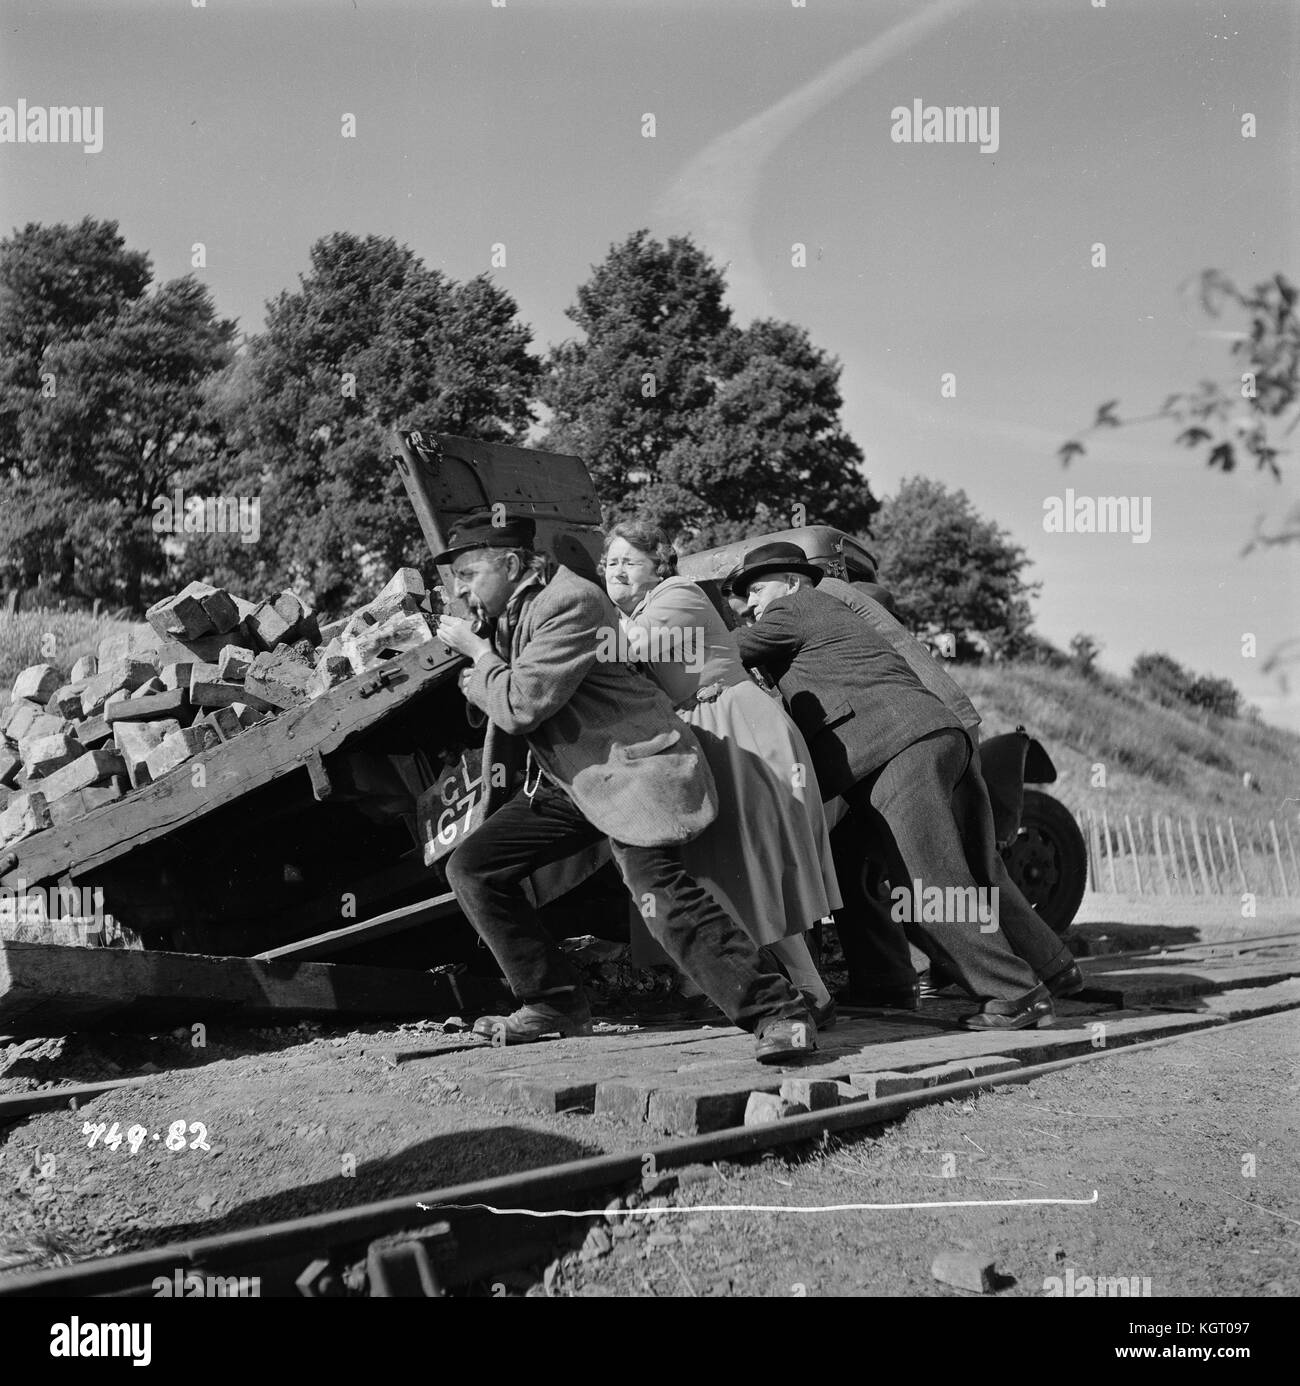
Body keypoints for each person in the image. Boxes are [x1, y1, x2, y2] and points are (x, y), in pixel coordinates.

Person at [433, 511, 817, 1062]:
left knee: (663, 899)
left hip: (635, 770)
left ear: (512, 564)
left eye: (469, 574)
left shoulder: (572, 602)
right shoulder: (510, 611)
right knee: (473, 868)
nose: (461, 588)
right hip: (575, 779)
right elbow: (503, 704)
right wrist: (483, 653)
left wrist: (478, 660)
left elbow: (520, 705)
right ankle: (554, 1002)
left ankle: (780, 1014)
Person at [730, 541, 1058, 1031]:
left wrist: (654, 636)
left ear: (793, 581)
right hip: (921, 738)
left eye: (756, 590)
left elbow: (722, 652)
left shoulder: (796, 607)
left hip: (896, 747)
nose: (751, 604)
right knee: (856, 863)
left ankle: (1016, 993)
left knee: (929, 884)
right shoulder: (824, 613)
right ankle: (885, 983)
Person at [603, 522, 841, 1025]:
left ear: (658, 562)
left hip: (735, 726)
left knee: (752, 858)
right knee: (724, 864)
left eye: (628, 560)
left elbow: (624, 650)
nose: (616, 570)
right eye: (610, 563)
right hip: (704, 732)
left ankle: (810, 992)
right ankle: (720, 987)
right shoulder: (637, 610)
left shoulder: (676, 594)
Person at [814, 567, 1083, 1002]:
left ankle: (969, 978)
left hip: (924, 737)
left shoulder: (849, 616)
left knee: (931, 864)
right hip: (944, 727)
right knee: (955, 861)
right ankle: (1051, 966)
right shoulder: (884, 627)